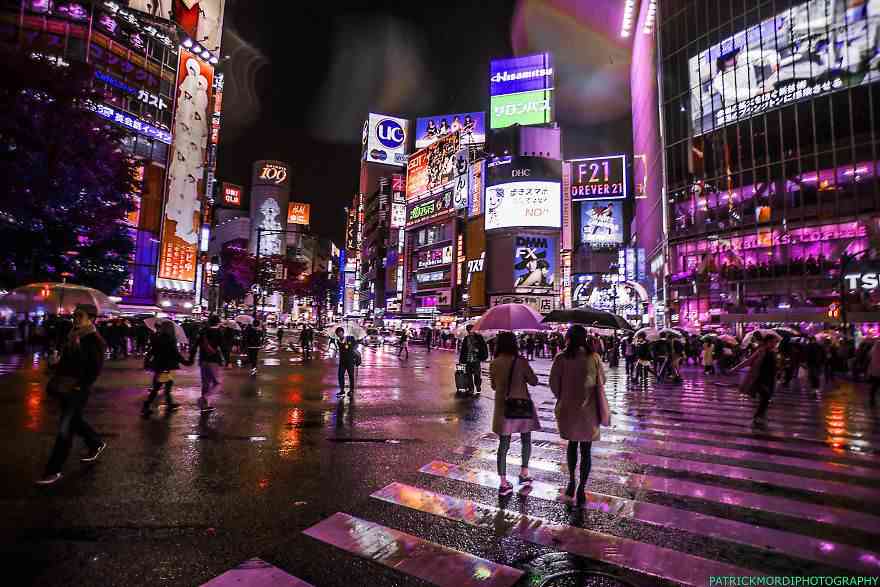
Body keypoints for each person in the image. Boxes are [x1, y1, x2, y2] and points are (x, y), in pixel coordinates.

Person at [37, 304, 107, 485]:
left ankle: (53, 469)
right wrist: (54, 364)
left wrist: (80, 386)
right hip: (64, 387)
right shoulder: (72, 336)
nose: (75, 319)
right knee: (75, 421)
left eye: (80, 316)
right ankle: (95, 442)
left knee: (65, 429)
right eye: (74, 315)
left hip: (77, 390)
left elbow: (94, 369)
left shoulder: (94, 340)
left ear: (91, 319)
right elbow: (66, 364)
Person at [550, 325, 603, 505]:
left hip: (568, 409)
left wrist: (563, 397)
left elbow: (553, 384)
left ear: (569, 338)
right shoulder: (593, 357)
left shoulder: (561, 357)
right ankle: (582, 487)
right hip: (589, 411)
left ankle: (572, 481)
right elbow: (602, 381)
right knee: (586, 450)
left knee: (572, 445)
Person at [489, 331, 540, 495]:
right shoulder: (521, 361)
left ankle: (503, 482)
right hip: (522, 404)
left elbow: (494, 386)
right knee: (526, 439)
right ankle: (524, 473)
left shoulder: (494, 363)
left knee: (503, 445)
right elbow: (534, 381)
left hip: (504, 406)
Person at [141, 321, 187, 417]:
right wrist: (186, 362)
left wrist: (147, 362)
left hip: (160, 365)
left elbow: (152, 351)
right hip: (166, 366)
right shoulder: (170, 339)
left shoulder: (157, 337)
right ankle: (146, 405)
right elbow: (175, 353)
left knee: (166, 385)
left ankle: (169, 403)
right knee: (160, 387)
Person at [733, 333, 778, 425]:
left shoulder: (773, 352)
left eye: (775, 342)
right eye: (772, 342)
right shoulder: (761, 351)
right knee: (765, 396)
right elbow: (749, 361)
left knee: (766, 397)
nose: (774, 344)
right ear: (767, 342)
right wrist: (735, 368)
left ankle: (761, 415)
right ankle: (757, 417)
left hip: (770, 379)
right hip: (759, 378)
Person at [189, 315, 226, 412]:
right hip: (213, 360)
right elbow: (223, 347)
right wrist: (227, 360)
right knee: (216, 383)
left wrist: (191, 359)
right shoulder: (218, 332)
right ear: (218, 322)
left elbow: (194, 346)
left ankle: (205, 405)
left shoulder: (203, 332)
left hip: (203, 360)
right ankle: (204, 399)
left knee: (205, 382)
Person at [459, 325, 489, 395]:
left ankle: (478, 385)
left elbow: (483, 347)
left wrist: (477, 350)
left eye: (470, 329)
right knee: (468, 375)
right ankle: (471, 389)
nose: (469, 331)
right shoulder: (466, 338)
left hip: (476, 359)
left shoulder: (479, 337)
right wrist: (461, 360)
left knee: (477, 375)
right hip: (468, 359)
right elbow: (463, 350)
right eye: (468, 329)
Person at [334, 327, 359, 398]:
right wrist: (344, 344)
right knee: (340, 375)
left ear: (343, 332)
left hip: (350, 361)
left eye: (340, 333)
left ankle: (351, 390)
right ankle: (342, 390)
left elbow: (355, 345)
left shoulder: (350, 338)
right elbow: (342, 349)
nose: (339, 335)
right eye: (338, 334)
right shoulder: (338, 341)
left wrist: (350, 344)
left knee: (351, 376)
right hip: (342, 361)